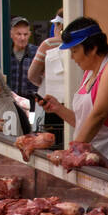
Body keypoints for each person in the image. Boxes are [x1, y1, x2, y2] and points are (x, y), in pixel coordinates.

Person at [37, 16, 108, 175]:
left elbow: (98, 115)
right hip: (92, 159)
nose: (72, 57)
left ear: (93, 48)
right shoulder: (89, 74)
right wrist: (57, 108)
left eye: (75, 51)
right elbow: (84, 122)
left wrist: (71, 152)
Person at [26, 12, 66, 147]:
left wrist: (44, 81)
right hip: (73, 106)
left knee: (48, 144)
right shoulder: (81, 44)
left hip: (49, 104)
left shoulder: (48, 44)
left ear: (59, 26)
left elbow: (32, 75)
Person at [8, 16, 37, 107]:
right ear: (11, 34)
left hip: (31, 101)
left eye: (25, 34)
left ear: (30, 34)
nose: (22, 38)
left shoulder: (36, 53)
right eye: (18, 34)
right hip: (10, 101)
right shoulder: (5, 54)